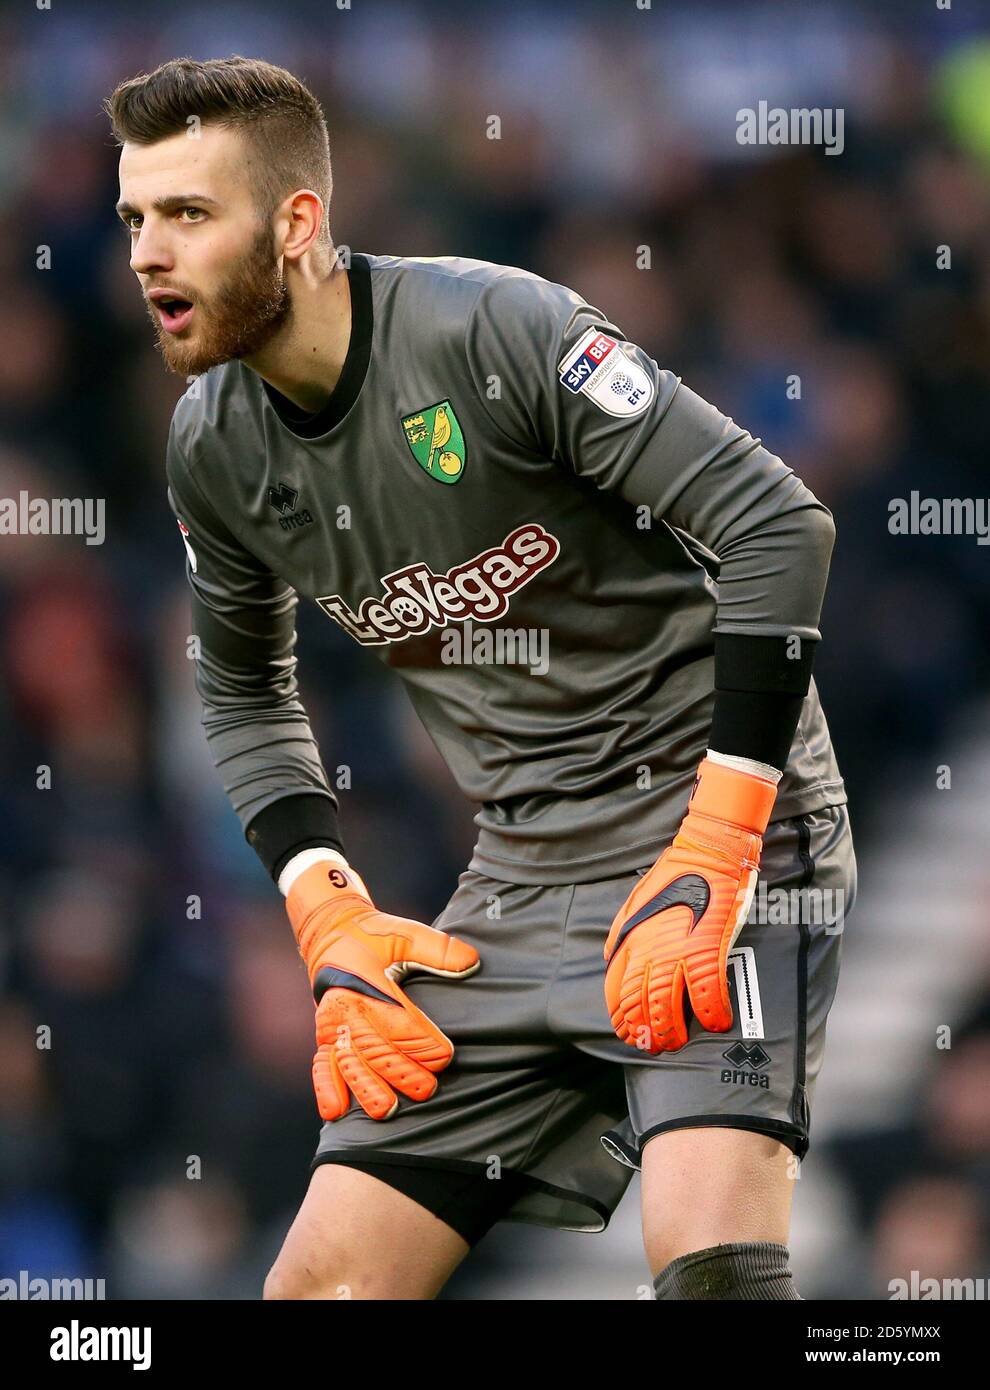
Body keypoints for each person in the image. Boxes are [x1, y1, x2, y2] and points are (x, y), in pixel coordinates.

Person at [106, 55, 856, 1301]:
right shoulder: (214, 447)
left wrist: (722, 841)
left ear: (297, 225)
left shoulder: (496, 328)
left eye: (188, 213)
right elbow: (240, 689)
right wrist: (324, 906)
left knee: (714, 1271)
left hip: (718, 828)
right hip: (519, 869)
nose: (145, 253)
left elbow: (780, 528)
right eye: (135, 217)